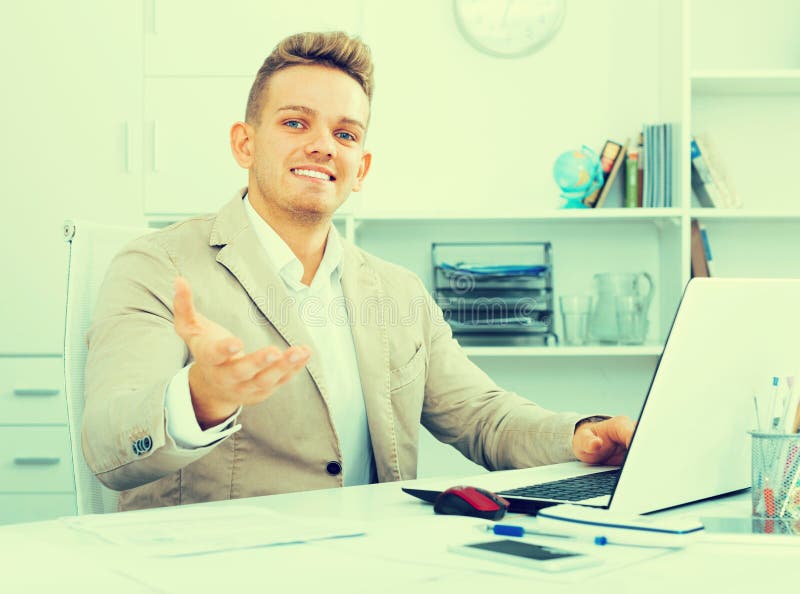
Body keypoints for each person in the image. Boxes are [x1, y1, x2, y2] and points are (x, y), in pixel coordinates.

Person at [83, 31, 635, 512]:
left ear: (361, 167)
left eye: (345, 134)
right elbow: (109, 448)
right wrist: (200, 396)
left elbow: (482, 418)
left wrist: (580, 436)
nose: (323, 145)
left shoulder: (398, 291)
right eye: (295, 122)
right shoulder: (158, 266)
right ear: (244, 143)